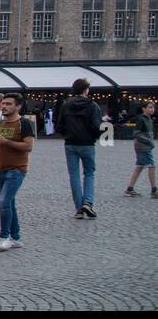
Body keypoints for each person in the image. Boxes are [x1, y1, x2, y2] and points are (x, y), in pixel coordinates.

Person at [0, 92, 35, 251]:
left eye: (9, 104)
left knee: (3, 202)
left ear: (18, 106)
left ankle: (4, 237)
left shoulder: (25, 124)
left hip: (17, 169)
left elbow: (28, 146)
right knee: (10, 203)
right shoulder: (0, 124)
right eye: (3, 103)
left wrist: (6, 142)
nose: (4, 106)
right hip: (1, 168)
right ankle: (16, 238)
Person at [59, 78, 104, 219]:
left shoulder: (66, 105)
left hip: (70, 143)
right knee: (89, 174)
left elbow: (59, 125)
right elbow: (97, 126)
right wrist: (95, 136)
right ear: (86, 90)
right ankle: (88, 203)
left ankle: (79, 208)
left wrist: (67, 133)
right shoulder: (93, 105)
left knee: (74, 175)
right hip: (87, 143)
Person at [124, 101, 156, 198]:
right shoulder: (141, 119)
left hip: (145, 146)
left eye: (153, 107)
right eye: (150, 107)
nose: (152, 109)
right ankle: (154, 190)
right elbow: (136, 134)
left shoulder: (149, 119)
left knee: (139, 167)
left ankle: (130, 189)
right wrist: (149, 141)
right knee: (152, 166)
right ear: (144, 109)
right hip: (143, 147)